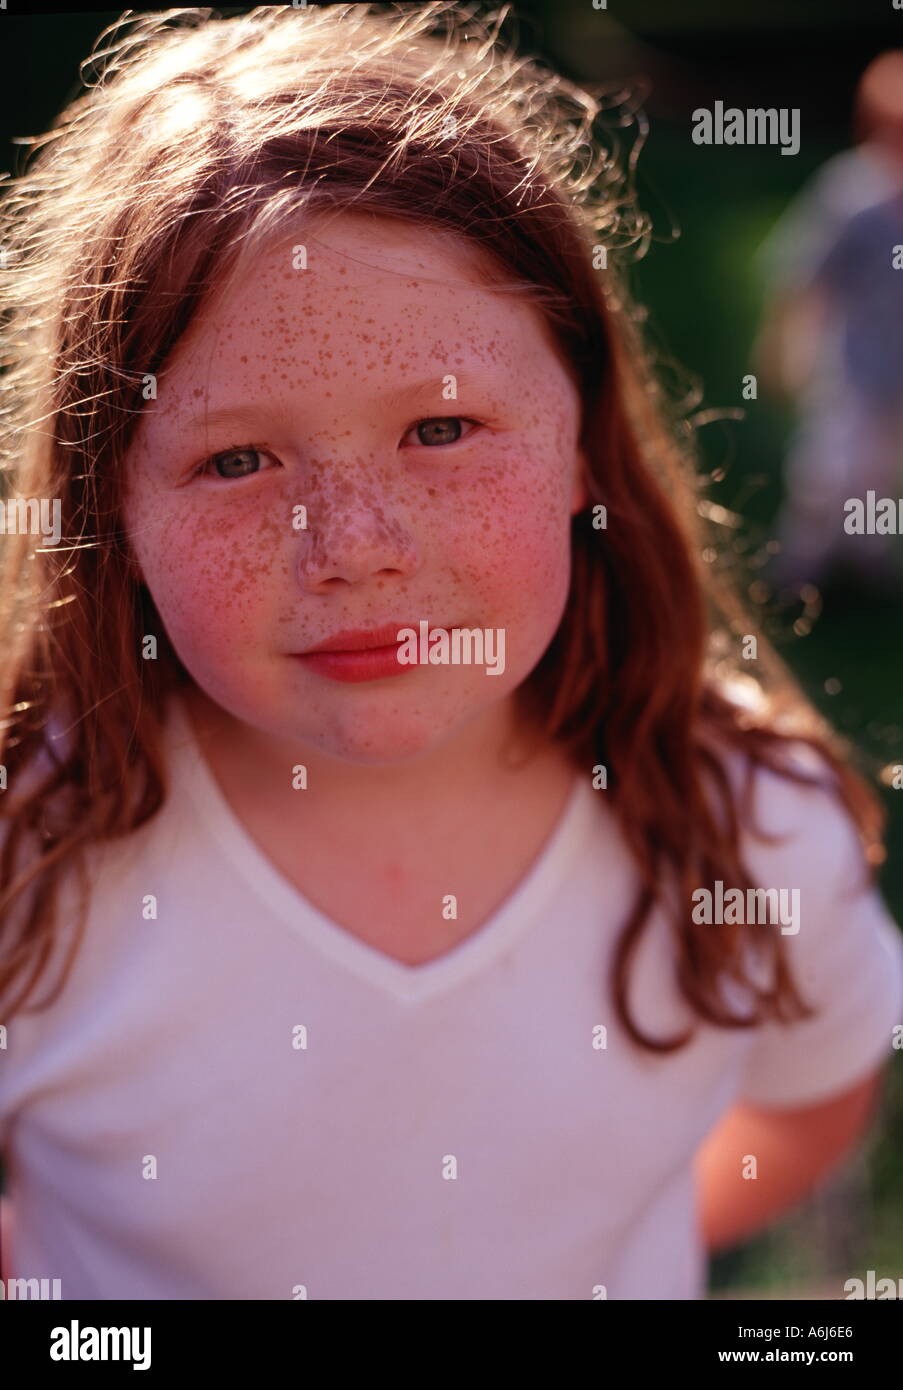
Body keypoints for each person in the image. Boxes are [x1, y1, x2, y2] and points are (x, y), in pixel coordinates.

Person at [0, 3, 901, 1301]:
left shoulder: (749, 832)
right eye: (238, 458)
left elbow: (806, 1104)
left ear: (582, 434)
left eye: (439, 428)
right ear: (112, 509)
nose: (353, 547)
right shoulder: (33, 849)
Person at [756, 51, 903, 591]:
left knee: (879, 472)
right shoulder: (850, 196)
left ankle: (866, 559)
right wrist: (781, 348)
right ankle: (800, 569)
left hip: (898, 369)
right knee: (830, 471)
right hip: (853, 366)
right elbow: (802, 277)